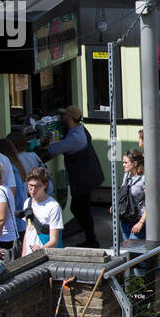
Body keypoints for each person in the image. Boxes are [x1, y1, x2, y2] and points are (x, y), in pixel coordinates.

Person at [45, 106, 104, 248]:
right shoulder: (79, 129)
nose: (63, 118)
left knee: (79, 208)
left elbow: (54, 150)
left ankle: (91, 240)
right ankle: (90, 238)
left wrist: (45, 142)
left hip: (83, 179)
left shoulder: (75, 137)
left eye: (65, 116)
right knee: (81, 208)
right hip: (87, 177)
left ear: (69, 118)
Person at [21, 166, 63, 256]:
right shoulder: (27, 202)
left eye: (37, 186)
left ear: (45, 185)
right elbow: (28, 230)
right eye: (30, 186)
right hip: (29, 254)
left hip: (47, 256)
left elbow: (54, 240)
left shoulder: (53, 207)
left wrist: (41, 250)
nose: (33, 190)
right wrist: (23, 255)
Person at [118, 149, 147, 244]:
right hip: (125, 218)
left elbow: (150, 203)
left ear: (135, 163)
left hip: (138, 220)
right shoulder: (126, 175)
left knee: (134, 249)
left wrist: (141, 223)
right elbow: (123, 193)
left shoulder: (144, 178)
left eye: (126, 162)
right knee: (127, 249)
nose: (123, 165)